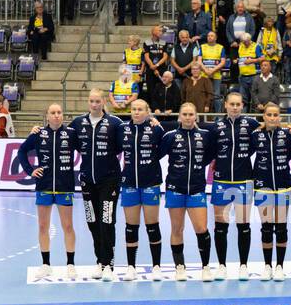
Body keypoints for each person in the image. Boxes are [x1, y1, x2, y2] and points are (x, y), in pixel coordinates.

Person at [17, 103, 79, 280]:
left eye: (59, 112)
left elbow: (86, 151)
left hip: (65, 186)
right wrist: (30, 171)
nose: (57, 115)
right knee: (43, 226)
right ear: (47, 116)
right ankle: (45, 264)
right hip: (43, 186)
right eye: (53, 113)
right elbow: (22, 151)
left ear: (63, 115)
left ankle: (70, 264)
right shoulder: (38, 134)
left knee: (68, 226)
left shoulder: (71, 134)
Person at [69, 89, 126, 279]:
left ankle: (108, 263)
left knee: (107, 221)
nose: (94, 105)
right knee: (92, 222)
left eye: (97, 101)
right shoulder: (78, 123)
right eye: (91, 101)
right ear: (88, 102)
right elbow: (63, 136)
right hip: (87, 181)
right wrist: (38, 131)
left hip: (109, 180)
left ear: (103, 102)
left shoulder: (115, 123)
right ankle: (99, 261)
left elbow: (121, 145)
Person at [158, 102, 216, 280]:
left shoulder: (205, 136)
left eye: (191, 114)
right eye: (185, 114)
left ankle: (205, 267)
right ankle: (180, 267)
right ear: (179, 117)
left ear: (196, 116)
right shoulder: (170, 136)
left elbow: (210, 156)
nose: (188, 117)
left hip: (197, 189)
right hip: (175, 188)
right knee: (177, 229)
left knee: (202, 228)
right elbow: (156, 154)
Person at [210, 92, 260, 279]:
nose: (235, 107)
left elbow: (264, 134)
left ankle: (243, 265)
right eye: (232, 104)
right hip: (222, 181)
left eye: (238, 104)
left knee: (243, 225)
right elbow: (209, 149)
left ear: (242, 106)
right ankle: (222, 265)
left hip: (244, 180)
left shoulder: (251, 124)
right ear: (225, 105)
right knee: (220, 226)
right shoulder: (217, 127)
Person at [120, 99, 166, 280]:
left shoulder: (156, 129)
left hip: (150, 183)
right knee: (131, 227)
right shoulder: (122, 129)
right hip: (129, 183)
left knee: (152, 225)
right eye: (134, 109)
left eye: (140, 109)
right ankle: (131, 267)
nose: (136, 112)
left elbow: (162, 150)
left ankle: (156, 266)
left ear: (147, 112)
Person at [251, 102, 291, 280]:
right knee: (267, 228)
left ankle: (280, 267)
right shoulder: (255, 135)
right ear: (264, 117)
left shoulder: (287, 135)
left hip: (283, 185)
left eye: (275, 115)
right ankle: (268, 266)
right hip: (263, 186)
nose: (272, 118)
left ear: (280, 117)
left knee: (282, 228)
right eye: (269, 115)